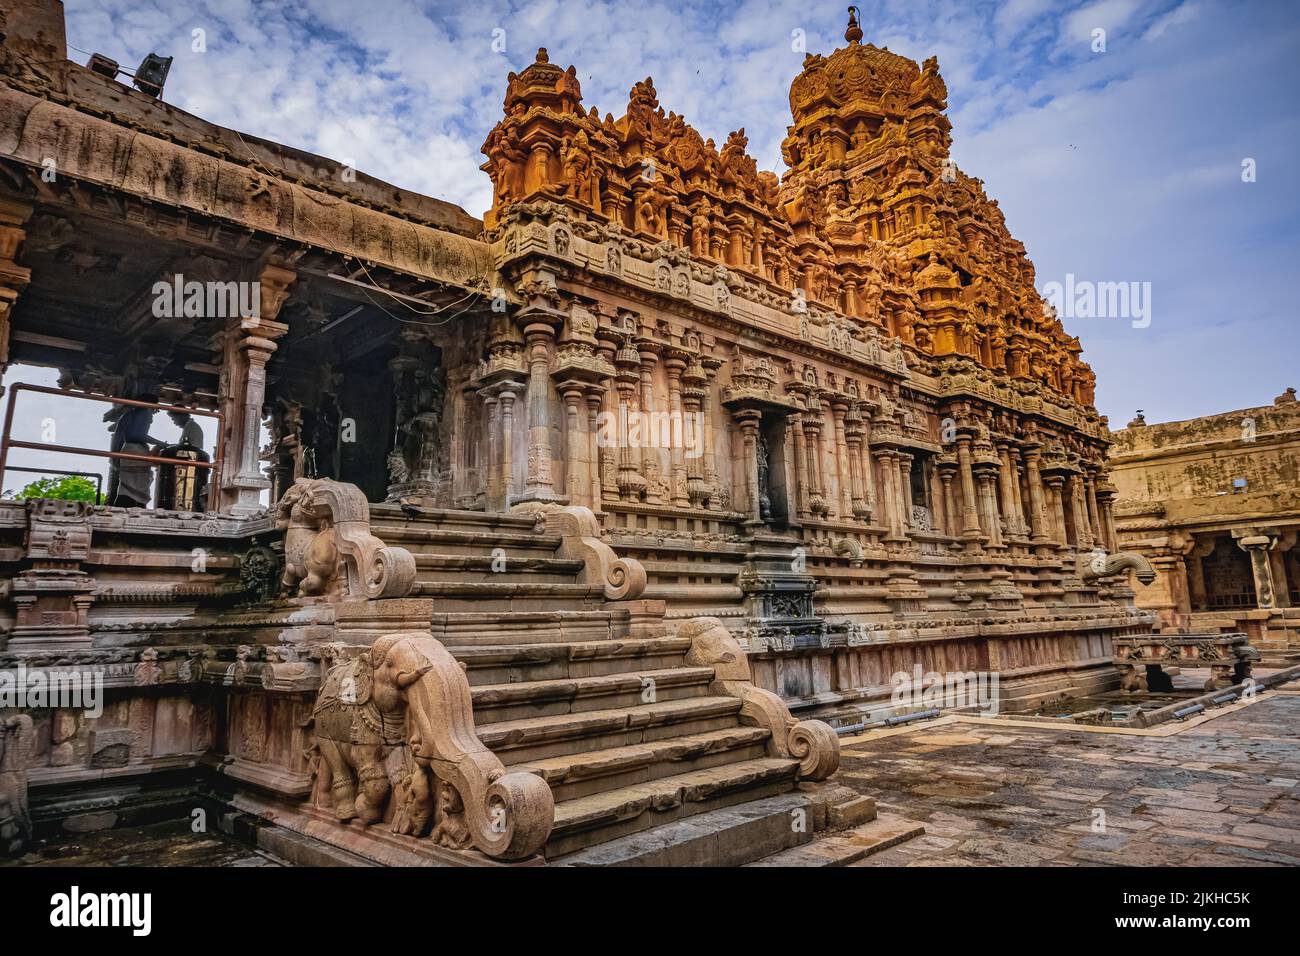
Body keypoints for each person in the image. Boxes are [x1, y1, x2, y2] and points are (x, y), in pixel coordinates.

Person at [107, 395, 164, 508]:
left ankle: (122, 506)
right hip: (135, 451)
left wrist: (115, 458)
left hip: (127, 451)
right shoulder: (144, 412)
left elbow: (119, 437)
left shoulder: (128, 415)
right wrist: (161, 444)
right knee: (136, 486)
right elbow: (137, 435)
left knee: (127, 486)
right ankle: (136, 507)